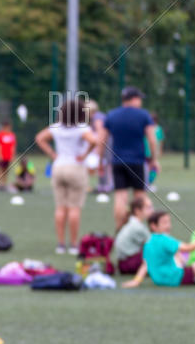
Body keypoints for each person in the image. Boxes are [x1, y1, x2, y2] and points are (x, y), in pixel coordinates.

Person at [34, 97, 97, 255]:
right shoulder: (82, 128)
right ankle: (74, 244)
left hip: (58, 167)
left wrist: (52, 154)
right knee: (74, 208)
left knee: (60, 208)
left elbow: (39, 138)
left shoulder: (56, 127)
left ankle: (61, 244)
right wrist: (85, 155)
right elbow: (94, 141)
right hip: (75, 167)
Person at [97, 86, 152, 230]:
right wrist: (154, 159)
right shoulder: (143, 115)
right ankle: (139, 229)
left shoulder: (111, 115)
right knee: (140, 197)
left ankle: (120, 230)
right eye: (139, 99)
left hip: (117, 162)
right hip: (137, 161)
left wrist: (100, 161)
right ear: (134, 99)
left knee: (120, 197)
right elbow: (152, 139)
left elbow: (101, 140)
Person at [122, 210, 195, 288]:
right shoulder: (165, 239)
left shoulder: (148, 242)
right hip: (176, 278)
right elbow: (189, 248)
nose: (168, 225)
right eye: (164, 222)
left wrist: (136, 281)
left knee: (177, 253)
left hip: (159, 281)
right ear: (153, 226)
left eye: (169, 222)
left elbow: (145, 265)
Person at [111, 195, 151, 276]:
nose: (151, 210)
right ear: (137, 211)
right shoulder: (137, 226)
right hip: (130, 264)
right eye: (148, 208)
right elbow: (152, 244)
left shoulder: (131, 222)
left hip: (123, 264)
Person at [0, 120, 17, 191]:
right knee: (0, 170)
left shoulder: (11, 135)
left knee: (6, 171)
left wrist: (12, 155)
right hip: (2, 156)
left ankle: (4, 184)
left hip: (8, 156)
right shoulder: (0, 135)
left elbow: (13, 146)